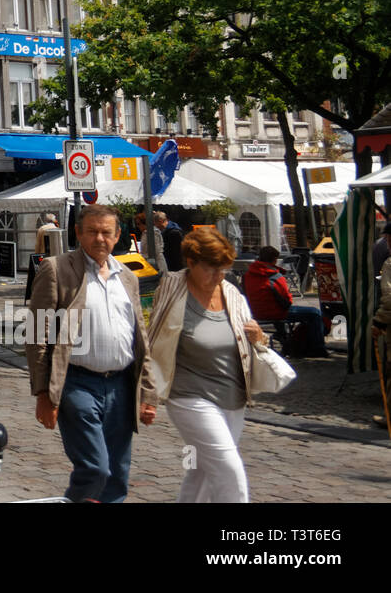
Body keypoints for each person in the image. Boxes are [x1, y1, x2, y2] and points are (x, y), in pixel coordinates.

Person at [27, 204, 156, 503]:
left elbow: (140, 337)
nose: (100, 238)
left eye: (106, 232)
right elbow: (36, 333)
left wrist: (148, 392)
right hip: (77, 383)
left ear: (118, 235)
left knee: (117, 475)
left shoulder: (127, 277)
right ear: (78, 233)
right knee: (95, 468)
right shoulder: (57, 269)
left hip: (121, 385)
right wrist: (43, 394)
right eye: (93, 232)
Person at [144, 227, 264, 503]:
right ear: (191, 262)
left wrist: (259, 336)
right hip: (188, 395)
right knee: (227, 467)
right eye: (211, 269)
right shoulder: (172, 288)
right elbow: (152, 340)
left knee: (201, 471)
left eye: (222, 269)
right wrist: (146, 393)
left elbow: (252, 340)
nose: (218, 276)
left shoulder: (231, 293)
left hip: (232, 395)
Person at [243, 246, 327, 357]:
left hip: (256, 313)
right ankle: (318, 349)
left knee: (305, 313)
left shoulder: (247, 275)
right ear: (274, 259)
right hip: (277, 312)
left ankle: (283, 335)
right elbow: (287, 302)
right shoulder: (275, 277)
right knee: (315, 313)